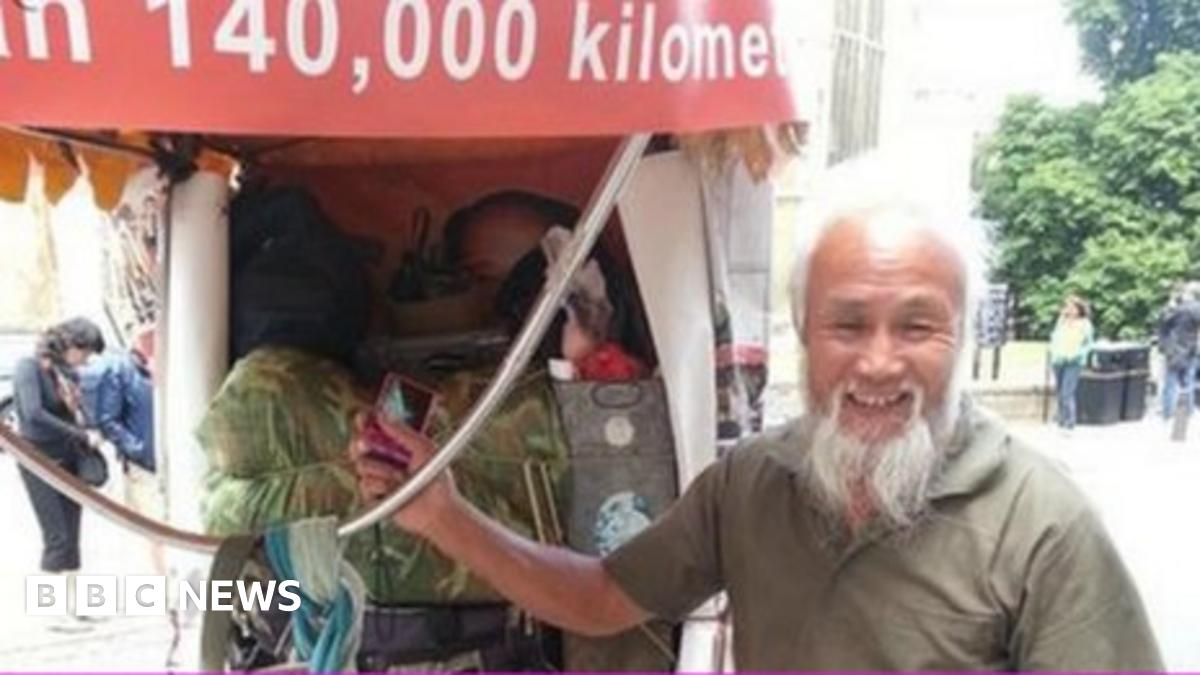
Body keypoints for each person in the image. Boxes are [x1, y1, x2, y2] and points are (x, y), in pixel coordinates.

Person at [351, 195, 1162, 670]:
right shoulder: (753, 482)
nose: (879, 362)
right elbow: (602, 596)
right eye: (848, 324)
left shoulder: (1041, 523)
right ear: (805, 331)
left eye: (918, 325)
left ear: (961, 334)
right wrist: (444, 515)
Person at [12, 318, 106, 619]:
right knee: (57, 537)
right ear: (70, 345)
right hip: (38, 460)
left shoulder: (65, 374)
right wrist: (80, 434)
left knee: (73, 534)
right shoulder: (30, 368)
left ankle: (75, 608)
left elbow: (75, 412)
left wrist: (88, 429)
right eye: (85, 352)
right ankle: (51, 613)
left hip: (69, 460)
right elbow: (33, 413)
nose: (86, 359)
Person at [1048, 296, 1094, 430]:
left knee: (1067, 392)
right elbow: (1055, 336)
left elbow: (1088, 343)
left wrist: (1080, 354)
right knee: (1059, 391)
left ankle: (1069, 422)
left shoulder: (1085, 324)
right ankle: (1061, 420)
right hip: (1059, 359)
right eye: (1067, 307)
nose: (1069, 310)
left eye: (1072, 307)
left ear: (1079, 309)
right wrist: (1053, 350)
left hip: (1074, 361)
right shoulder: (1061, 321)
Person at [1157, 285, 1200, 420]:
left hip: (1175, 349)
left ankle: (1168, 413)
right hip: (1191, 348)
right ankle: (1188, 410)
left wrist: (1169, 306)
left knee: (1171, 381)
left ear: (1188, 294)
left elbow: (1164, 322)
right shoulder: (1197, 309)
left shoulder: (1179, 309)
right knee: (1189, 381)